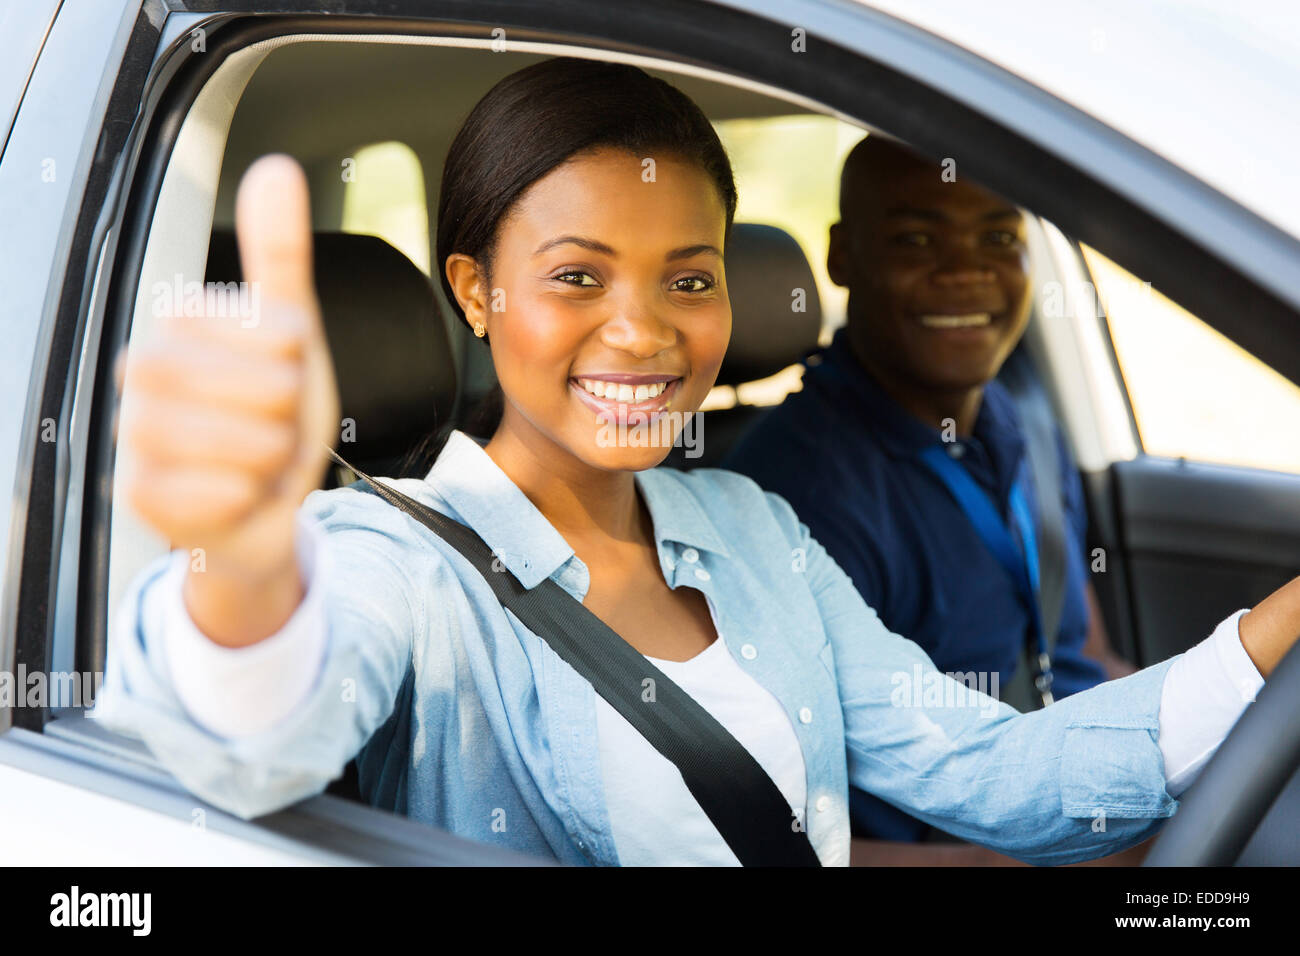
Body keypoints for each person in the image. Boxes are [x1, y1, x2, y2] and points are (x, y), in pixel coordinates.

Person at [96, 57, 1298, 867]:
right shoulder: (398, 559)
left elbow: (986, 763)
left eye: (688, 276)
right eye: (577, 276)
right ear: (475, 290)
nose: (643, 330)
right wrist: (247, 579)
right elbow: (252, 740)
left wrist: (1273, 629)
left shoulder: (751, 524)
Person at [723, 136, 1138, 860]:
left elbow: (1085, 657)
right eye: (917, 238)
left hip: (1072, 793)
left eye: (999, 237)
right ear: (843, 257)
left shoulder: (1023, 422)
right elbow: (775, 831)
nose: (965, 271)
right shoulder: (797, 492)